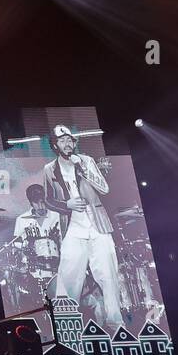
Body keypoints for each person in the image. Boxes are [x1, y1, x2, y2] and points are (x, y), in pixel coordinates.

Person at [42, 124, 122, 329]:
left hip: (98, 225)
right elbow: (48, 200)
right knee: (68, 277)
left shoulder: (86, 161)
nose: (67, 144)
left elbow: (104, 189)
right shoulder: (49, 169)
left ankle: (115, 323)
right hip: (72, 228)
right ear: (55, 145)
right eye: (62, 141)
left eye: (70, 140)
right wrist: (66, 205)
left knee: (108, 275)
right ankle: (68, 325)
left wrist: (83, 168)